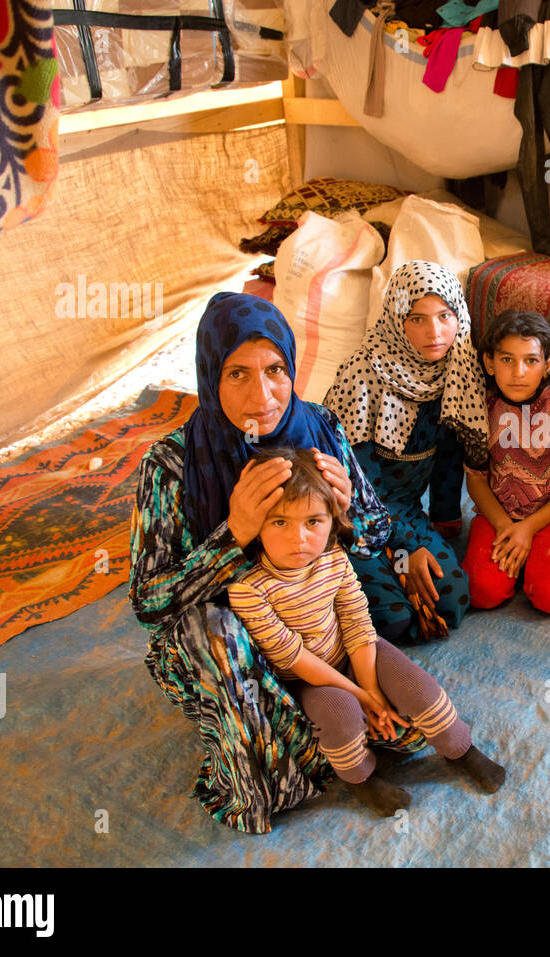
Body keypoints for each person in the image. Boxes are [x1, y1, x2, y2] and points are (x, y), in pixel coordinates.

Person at [128, 291, 392, 834]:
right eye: (237, 374)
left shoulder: (318, 428)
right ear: (208, 376)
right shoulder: (174, 464)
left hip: (309, 620)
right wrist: (236, 534)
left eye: (276, 370)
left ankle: (333, 713)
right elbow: (150, 603)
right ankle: (271, 767)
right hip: (239, 648)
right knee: (212, 633)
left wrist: (349, 509)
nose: (263, 396)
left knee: (398, 664)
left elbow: (374, 537)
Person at [227, 448, 505, 817]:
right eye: (280, 522)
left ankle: (460, 748)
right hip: (308, 678)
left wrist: (371, 687)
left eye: (313, 521)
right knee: (341, 715)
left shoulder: (332, 557)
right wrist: (360, 695)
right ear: (258, 524)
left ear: (332, 519)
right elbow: (291, 656)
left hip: (355, 649)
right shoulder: (248, 589)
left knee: (419, 686)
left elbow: (357, 619)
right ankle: (360, 778)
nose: (298, 538)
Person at [325, 261, 489, 644]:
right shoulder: (363, 373)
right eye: (417, 319)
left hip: (406, 509)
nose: (435, 333)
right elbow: (359, 485)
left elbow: (450, 454)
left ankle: (390, 575)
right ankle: (347, 571)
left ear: (459, 316)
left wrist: (444, 523)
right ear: (397, 318)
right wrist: (407, 547)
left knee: (452, 599)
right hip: (352, 513)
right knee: (394, 618)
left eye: (445, 316)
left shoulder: (458, 364)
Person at [462, 310, 550, 614]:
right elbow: (476, 478)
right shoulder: (479, 406)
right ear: (489, 362)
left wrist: (528, 529)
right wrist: (506, 526)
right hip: (498, 515)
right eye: (507, 360)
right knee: (481, 592)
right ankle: (520, 562)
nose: (519, 372)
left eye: (531, 360)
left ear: (547, 364)